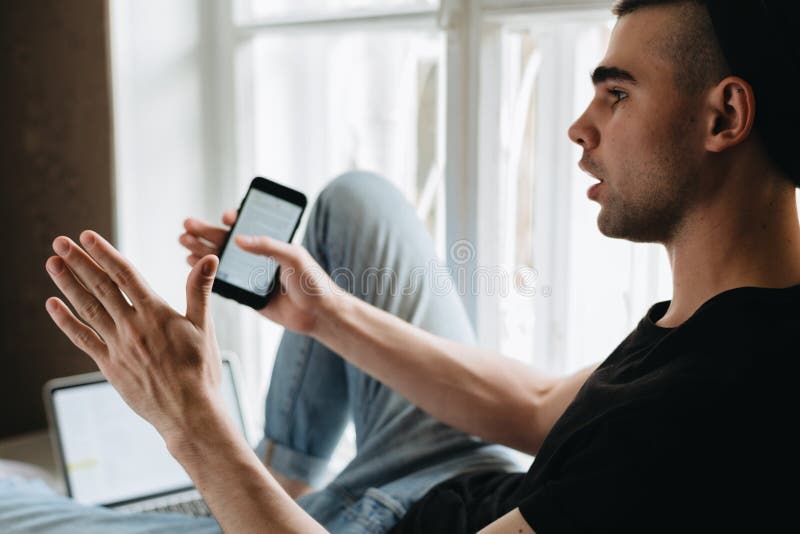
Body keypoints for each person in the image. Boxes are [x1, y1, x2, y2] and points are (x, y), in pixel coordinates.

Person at [2, 0, 798, 531]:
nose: (579, 127)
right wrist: (321, 313)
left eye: (617, 95)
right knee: (357, 202)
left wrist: (191, 422)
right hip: (460, 488)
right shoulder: (732, 314)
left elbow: (638, 445)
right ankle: (272, 490)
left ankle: (254, 503)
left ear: (722, 116)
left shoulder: (704, 421)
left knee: (13, 494)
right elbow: (538, 402)